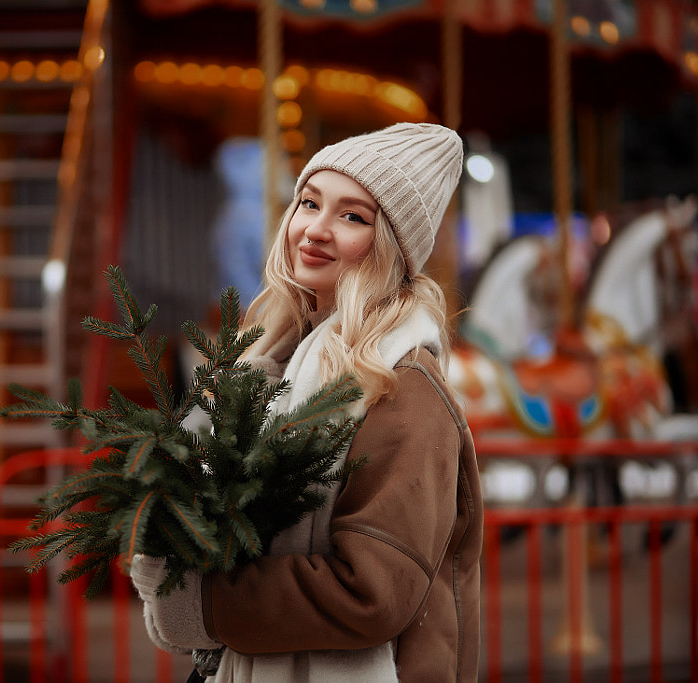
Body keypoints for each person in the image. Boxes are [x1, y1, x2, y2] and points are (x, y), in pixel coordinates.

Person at [131, 123, 483, 682]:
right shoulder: (271, 360)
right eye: (309, 203)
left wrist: (205, 604)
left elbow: (372, 591)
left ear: (390, 247)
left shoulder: (403, 387)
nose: (314, 230)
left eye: (352, 216)